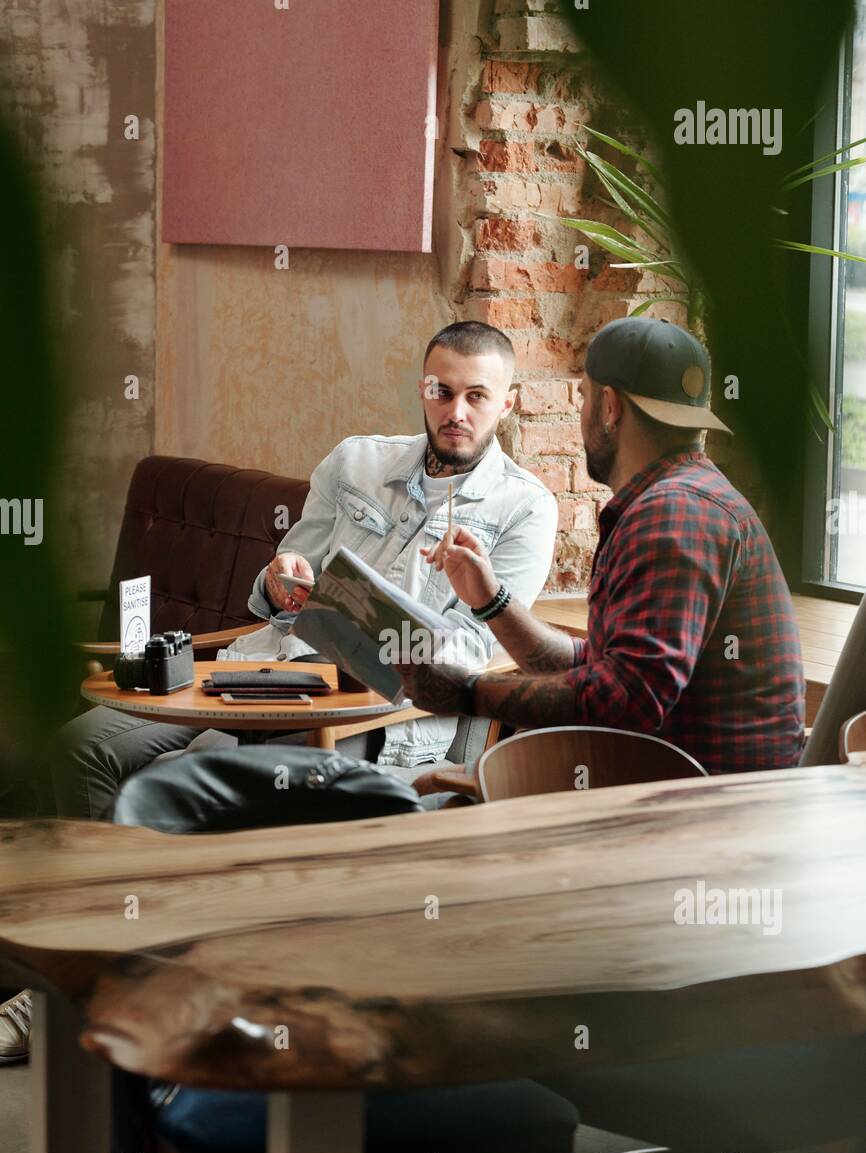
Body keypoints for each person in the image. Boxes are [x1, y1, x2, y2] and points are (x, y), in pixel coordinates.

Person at [0, 323, 556, 1063]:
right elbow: (281, 580)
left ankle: (68, 1004)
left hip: (387, 710)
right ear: (423, 388)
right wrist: (279, 580)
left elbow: (478, 651)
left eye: (476, 397)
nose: (457, 411)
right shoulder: (356, 461)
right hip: (262, 669)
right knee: (82, 749)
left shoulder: (525, 508)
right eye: (443, 391)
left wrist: (384, 627)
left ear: (507, 403)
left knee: (183, 777)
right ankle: (105, 973)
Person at [400, 316, 806, 784]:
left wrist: (468, 692)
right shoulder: (679, 497)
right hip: (669, 791)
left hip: (702, 815)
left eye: (586, 398)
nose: (583, 413)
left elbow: (627, 699)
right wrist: (492, 601)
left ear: (609, 406)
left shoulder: (673, 513)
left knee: (415, 800)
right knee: (434, 789)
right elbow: (602, 667)